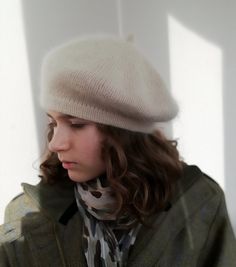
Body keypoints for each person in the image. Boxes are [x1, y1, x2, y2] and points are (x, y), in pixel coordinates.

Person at [0, 36, 235, 267]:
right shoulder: (25, 218)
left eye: (76, 124)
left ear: (123, 133)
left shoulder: (200, 204)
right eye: (53, 124)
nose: (55, 144)